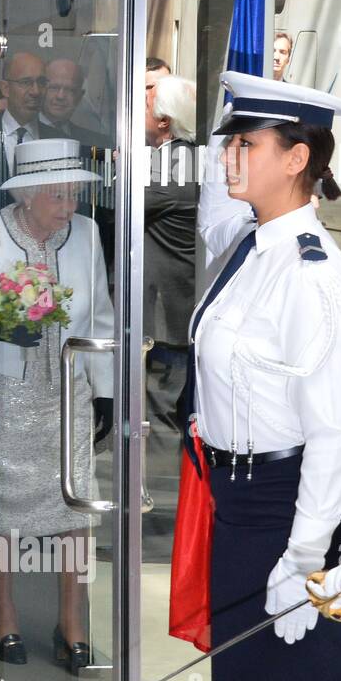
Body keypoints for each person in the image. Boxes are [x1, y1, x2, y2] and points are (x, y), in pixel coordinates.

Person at [191, 70, 341, 681]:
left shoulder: (313, 270)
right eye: (229, 144)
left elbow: (335, 433)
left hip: (301, 510)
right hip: (246, 507)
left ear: (297, 157)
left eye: (245, 143)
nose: (229, 156)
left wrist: (306, 559)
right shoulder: (255, 244)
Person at [0, 138, 111, 670]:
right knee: (2, 507)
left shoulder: (87, 235)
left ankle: (73, 622)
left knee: (75, 505)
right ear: (28, 196)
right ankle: (5, 615)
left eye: (75, 195)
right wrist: (3, 331)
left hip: (68, 392)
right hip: (6, 394)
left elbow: (101, 314)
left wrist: (104, 388)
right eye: (60, 197)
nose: (71, 208)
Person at [142, 74, 199, 511]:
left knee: (160, 414)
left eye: (144, 108)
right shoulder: (182, 159)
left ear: (163, 121)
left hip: (168, 319)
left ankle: (163, 512)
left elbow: (114, 201)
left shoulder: (171, 168)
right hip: (173, 314)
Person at [39, 58, 111, 149]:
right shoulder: (22, 136)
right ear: (41, 89)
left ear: (80, 96)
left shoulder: (98, 144)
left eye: (70, 90)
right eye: (54, 88)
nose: (60, 96)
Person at [0, 52, 46, 175]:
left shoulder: (58, 140)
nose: (35, 91)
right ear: (6, 88)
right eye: (26, 82)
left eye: (41, 82)